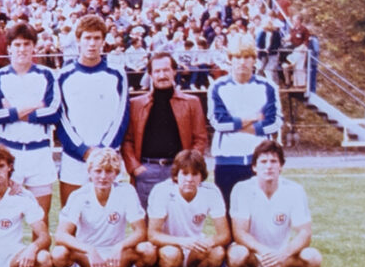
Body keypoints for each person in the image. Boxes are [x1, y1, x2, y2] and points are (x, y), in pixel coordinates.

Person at [51, 148, 157, 267]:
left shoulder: (126, 192)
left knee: (148, 249)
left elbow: (141, 231)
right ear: (89, 173)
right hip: (88, 260)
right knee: (59, 253)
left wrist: (119, 247)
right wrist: (90, 250)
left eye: (109, 171)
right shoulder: (79, 195)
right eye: (98, 171)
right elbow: (61, 235)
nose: (103, 176)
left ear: (116, 173)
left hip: (115, 258)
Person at [225, 141, 322, 267]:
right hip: (254, 259)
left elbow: (305, 233)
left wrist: (282, 254)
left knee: (313, 257)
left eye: (273, 161)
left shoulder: (294, 190)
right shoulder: (242, 189)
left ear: (281, 166)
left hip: (281, 260)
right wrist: (265, 253)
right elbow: (239, 233)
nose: (268, 166)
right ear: (254, 167)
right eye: (263, 162)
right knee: (236, 253)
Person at [0, 23, 61, 218]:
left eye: (26, 44)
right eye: (17, 44)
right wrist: (36, 106)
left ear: (33, 46)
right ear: (9, 47)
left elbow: (54, 113)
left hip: (40, 152)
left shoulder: (47, 74)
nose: (22, 49)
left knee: (40, 218)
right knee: (5, 218)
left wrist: (11, 111)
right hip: (9, 153)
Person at [56, 15, 129, 206]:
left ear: (104, 41)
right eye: (87, 38)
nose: (92, 44)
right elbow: (62, 119)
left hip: (108, 158)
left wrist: (104, 151)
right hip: (75, 159)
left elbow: (121, 116)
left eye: (97, 38)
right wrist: (84, 151)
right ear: (78, 40)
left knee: (109, 220)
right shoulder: (63, 76)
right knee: (71, 221)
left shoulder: (117, 73)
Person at [121, 52, 208, 208]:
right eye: (157, 71)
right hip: (147, 171)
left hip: (179, 171)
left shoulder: (191, 103)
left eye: (166, 70)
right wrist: (135, 168)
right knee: (148, 224)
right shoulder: (136, 104)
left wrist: (188, 167)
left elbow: (200, 138)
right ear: (150, 74)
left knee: (179, 223)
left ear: (174, 71)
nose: (162, 75)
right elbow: (127, 140)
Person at [147, 150, 230, 267]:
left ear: (202, 176)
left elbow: (224, 235)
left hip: (194, 251)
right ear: (176, 175)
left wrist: (208, 242)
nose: (190, 179)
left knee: (217, 252)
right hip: (168, 251)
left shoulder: (211, 192)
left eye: (195, 174)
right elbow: (152, 234)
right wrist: (183, 242)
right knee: (171, 253)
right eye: (185, 174)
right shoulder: (162, 191)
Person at [208, 42, 283, 211]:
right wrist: (254, 118)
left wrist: (237, 124)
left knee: (260, 214)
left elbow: (275, 122)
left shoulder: (267, 86)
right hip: (227, 161)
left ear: (254, 60)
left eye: (247, 57)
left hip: (260, 161)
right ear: (230, 60)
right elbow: (218, 122)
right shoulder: (218, 87)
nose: (242, 62)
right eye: (237, 57)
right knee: (228, 213)